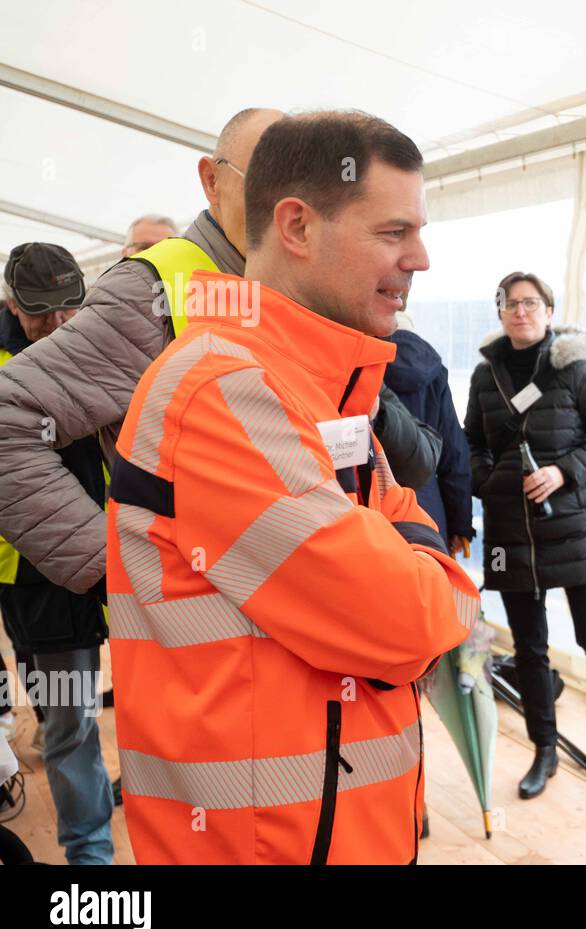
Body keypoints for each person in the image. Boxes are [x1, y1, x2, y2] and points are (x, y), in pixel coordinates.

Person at [106, 110, 481, 865]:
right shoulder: (227, 393)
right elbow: (410, 621)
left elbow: (423, 562)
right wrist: (421, 567)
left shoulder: (320, 387)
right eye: (393, 232)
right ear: (298, 227)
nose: (422, 258)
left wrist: (419, 563)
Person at [0, 106, 436, 598]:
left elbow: (416, 460)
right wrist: (118, 573)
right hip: (208, 651)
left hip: (333, 614)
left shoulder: (321, 290)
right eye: (264, 177)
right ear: (212, 181)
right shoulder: (151, 293)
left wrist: (369, 412)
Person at [464, 271, 586, 799]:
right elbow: (472, 442)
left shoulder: (572, 367)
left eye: (530, 303)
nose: (520, 311)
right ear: (501, 312)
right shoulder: (486, 377)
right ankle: (545, 750)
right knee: (529, 650)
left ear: (549, 311)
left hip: (574, 527)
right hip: (511, 531)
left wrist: (565, 470)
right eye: (510, 303)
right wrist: (486, 479)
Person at [1, 243, 113, 864]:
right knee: (54, 710)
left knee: (70, 723)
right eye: (41, 313)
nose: (58, 324)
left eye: (70, 308)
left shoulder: (94, 347)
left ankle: (89, 862)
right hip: (19, 584)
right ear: (12, 304)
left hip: (70, 579)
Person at [384, 312, 474, 558]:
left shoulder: (359, 362)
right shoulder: (434, 371)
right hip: (427, 508)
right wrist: (460, 525)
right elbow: (454, 455)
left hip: (374, 502)